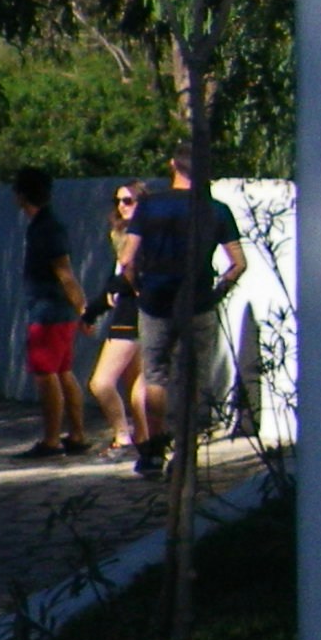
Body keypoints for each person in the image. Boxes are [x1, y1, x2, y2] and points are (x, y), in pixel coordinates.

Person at [127, 158, 247, 477]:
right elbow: (238, 263)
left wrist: (139, 287)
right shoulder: (216, 209)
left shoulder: (149, 206)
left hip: (155, 300)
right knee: (192, 376)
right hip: (198, 301)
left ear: (171, 165)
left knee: (155, 374)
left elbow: (127, 258)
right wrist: (218, 291)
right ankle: (185, 451)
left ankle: (154, 450)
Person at [9, 168, 89, 459]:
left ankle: (52, 440)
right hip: (58, 310)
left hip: (49, 312)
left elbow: (65, 273)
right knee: (64, 372)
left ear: (20, 195)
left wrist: (83, 308)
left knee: (46, 374)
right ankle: (77, 434)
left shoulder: (47, 228)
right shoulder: (44, 224)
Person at [82, 184, 150, 457]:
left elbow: (129, 277)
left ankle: (123, 437)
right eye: (118, 200)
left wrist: (94, 309)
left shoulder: (141, 238)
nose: (121, 205)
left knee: (101, 382)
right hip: (142, 315)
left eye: (128, 200)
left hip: (131, 316)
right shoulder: (128, 235)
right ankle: (146, 440)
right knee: (137, 385)